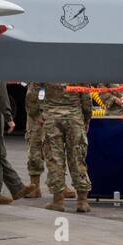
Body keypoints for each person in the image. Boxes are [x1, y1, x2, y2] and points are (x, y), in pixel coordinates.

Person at [39, 82, 92, 213]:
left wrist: (37, 113)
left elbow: (33, 93)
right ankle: (82, 201)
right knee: (77, 158)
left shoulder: (46, 67)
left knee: (54, 159)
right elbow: (86, 96)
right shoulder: (77, 69)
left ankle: (58, 201)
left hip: (51, 117)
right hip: (74, 117)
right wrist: (86, 118)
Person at [17, 82, 51, 199]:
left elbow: (33, 94)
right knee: (52, 148)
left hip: (39, 113)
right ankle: (58, 187)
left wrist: (36, 114)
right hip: (44, 111)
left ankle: (36, 186)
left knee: (36, 148)